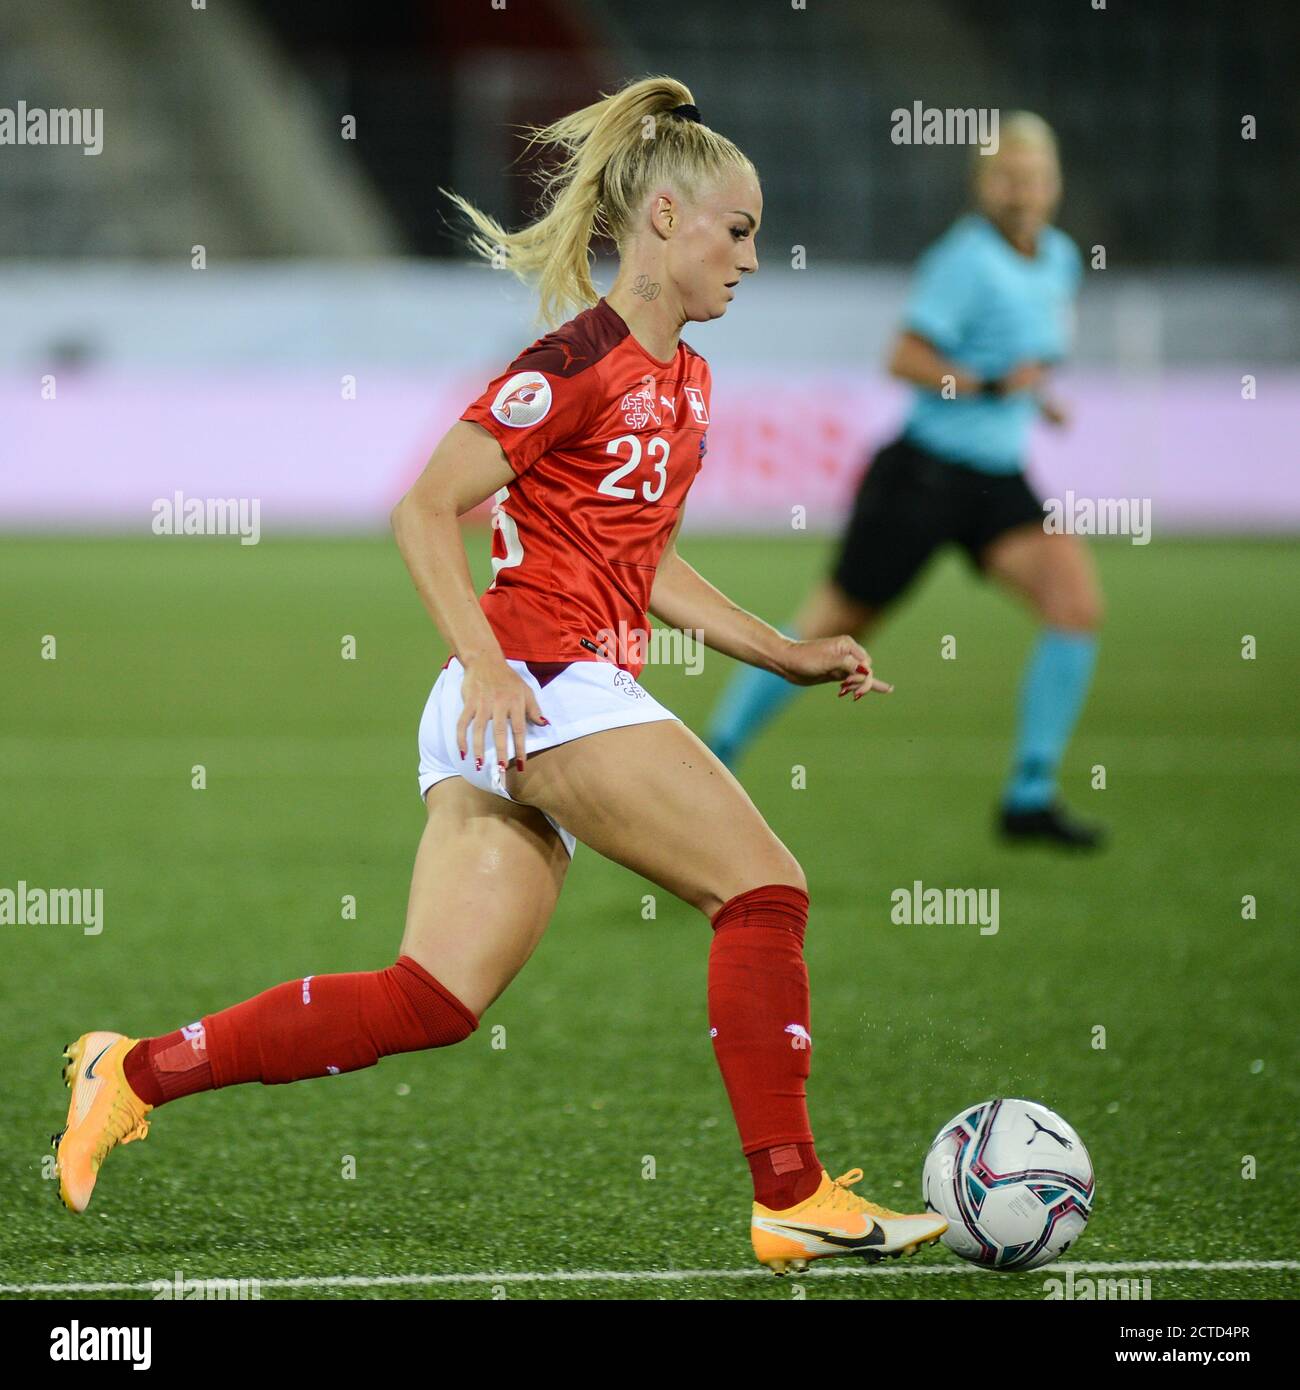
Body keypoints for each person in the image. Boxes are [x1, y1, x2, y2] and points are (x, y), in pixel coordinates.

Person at [52, 77, 945, 1276]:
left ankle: (133, 1066)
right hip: (535, 681)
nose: (751, 257)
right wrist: (483, 665)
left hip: (540, 694)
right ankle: (789, 1194)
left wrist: (779, 651)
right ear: (666, 218)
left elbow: (648, 559)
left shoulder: (687, 379)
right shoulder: (572, 357)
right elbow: (426, 507)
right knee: (762, 890)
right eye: (739, 230)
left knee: (432, 998)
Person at [708, 113, 1104, 848]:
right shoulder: (965, 259)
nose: (1023, 190)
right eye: (1008, 176)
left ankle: (1028, 796)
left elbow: (1027, 357)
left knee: (1075, 604)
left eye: (1036, 176)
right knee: (832, 628)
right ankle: (713, 758)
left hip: (995, 479)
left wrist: (1036, 397)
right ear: (985, 185)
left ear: (1054, 184)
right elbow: (905, 359)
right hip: (923, 474)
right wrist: (987, 386)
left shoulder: (1060, 260)